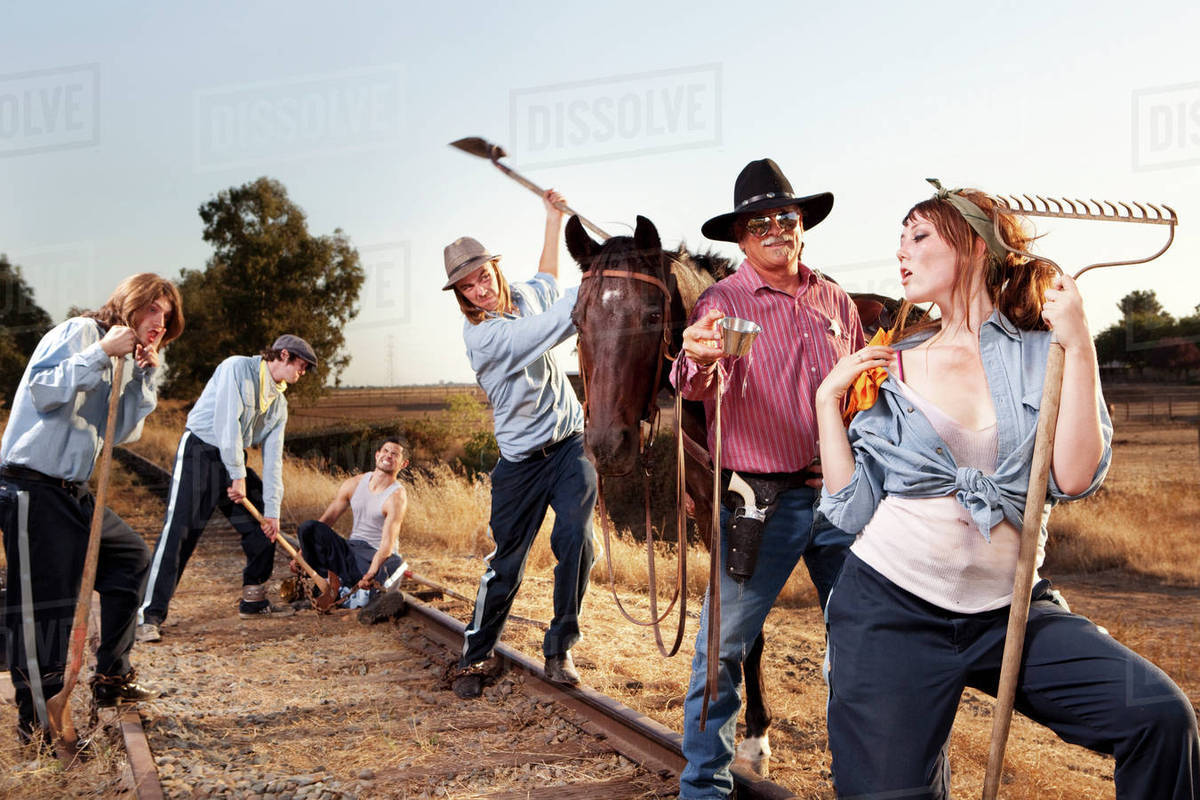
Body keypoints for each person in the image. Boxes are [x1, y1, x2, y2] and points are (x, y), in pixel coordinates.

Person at [816, 182, 1200, 799]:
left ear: (973, 245)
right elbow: (852, 509)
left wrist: (1078, 341)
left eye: (919, 234)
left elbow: (1073, 477)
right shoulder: (893, 363)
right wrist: (824, 404)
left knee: (1159, 717)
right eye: (900, 239)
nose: (901, 252)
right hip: (890, 610)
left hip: (1012, 609)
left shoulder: (1043, 352)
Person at [672, 158, 865, 799]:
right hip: (762, 500)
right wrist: (693, 358)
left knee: (864, 642)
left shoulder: (835, 300)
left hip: (844, 498)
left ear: (802, 223)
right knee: (722, 649)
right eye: (760, 223)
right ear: (741, 238)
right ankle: (705, 787)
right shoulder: (722, 303)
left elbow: (863, 395)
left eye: (786, 217)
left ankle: (861, 779)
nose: (776, 229)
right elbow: (694, 376)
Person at [0, 273, 183, 745]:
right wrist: (101, 352)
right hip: (32, 486)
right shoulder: (78, 334)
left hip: (74, 491)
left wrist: (143, 374)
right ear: (129, 304)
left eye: (166, 315)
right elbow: (43, 390)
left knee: (130, 560)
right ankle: (37, 726)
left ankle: (111, 678)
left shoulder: (124, 358)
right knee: (43, 607)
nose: (159, 322)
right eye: (152, 310)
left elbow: (120, 431)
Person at [444, 188, 597, 699]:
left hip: (570, 445)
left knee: (576, 539)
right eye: (467, 288)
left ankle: (560, 649)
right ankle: (475, 655)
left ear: (495, 269)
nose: (479, 291)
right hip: (521, 465)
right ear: (462, 297)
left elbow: (549, 277)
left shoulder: (526, 294)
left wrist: (552, 218)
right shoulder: (483, 338)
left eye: (482, 277)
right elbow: (552, 325)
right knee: (506, 563)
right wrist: (600, 272)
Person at [137, 334, 316, 641]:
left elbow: (273, 462)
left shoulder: (279, 405)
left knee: (263, 524)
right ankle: (148, 616)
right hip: (201, 452)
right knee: (180, 533)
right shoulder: (237, 368)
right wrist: (237, 474)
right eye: (301, 366)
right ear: (284, 355)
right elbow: (226, 424)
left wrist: (272, 511)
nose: (303, 374)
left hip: (232, 460)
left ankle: (253, 599)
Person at [293, 437, 410, 600]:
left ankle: (371, 599)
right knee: (308, 528)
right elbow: (328, 518)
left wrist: (371, 573)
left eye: (395, 454)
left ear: (403, 464)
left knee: (395, 563)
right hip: (351, 549)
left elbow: (387, 545)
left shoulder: (396, 496)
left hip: (374, 555)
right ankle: (321, 585)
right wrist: (301, 555)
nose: (388, 456)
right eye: (385, 451)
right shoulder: (354, 483)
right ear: (377, 455)